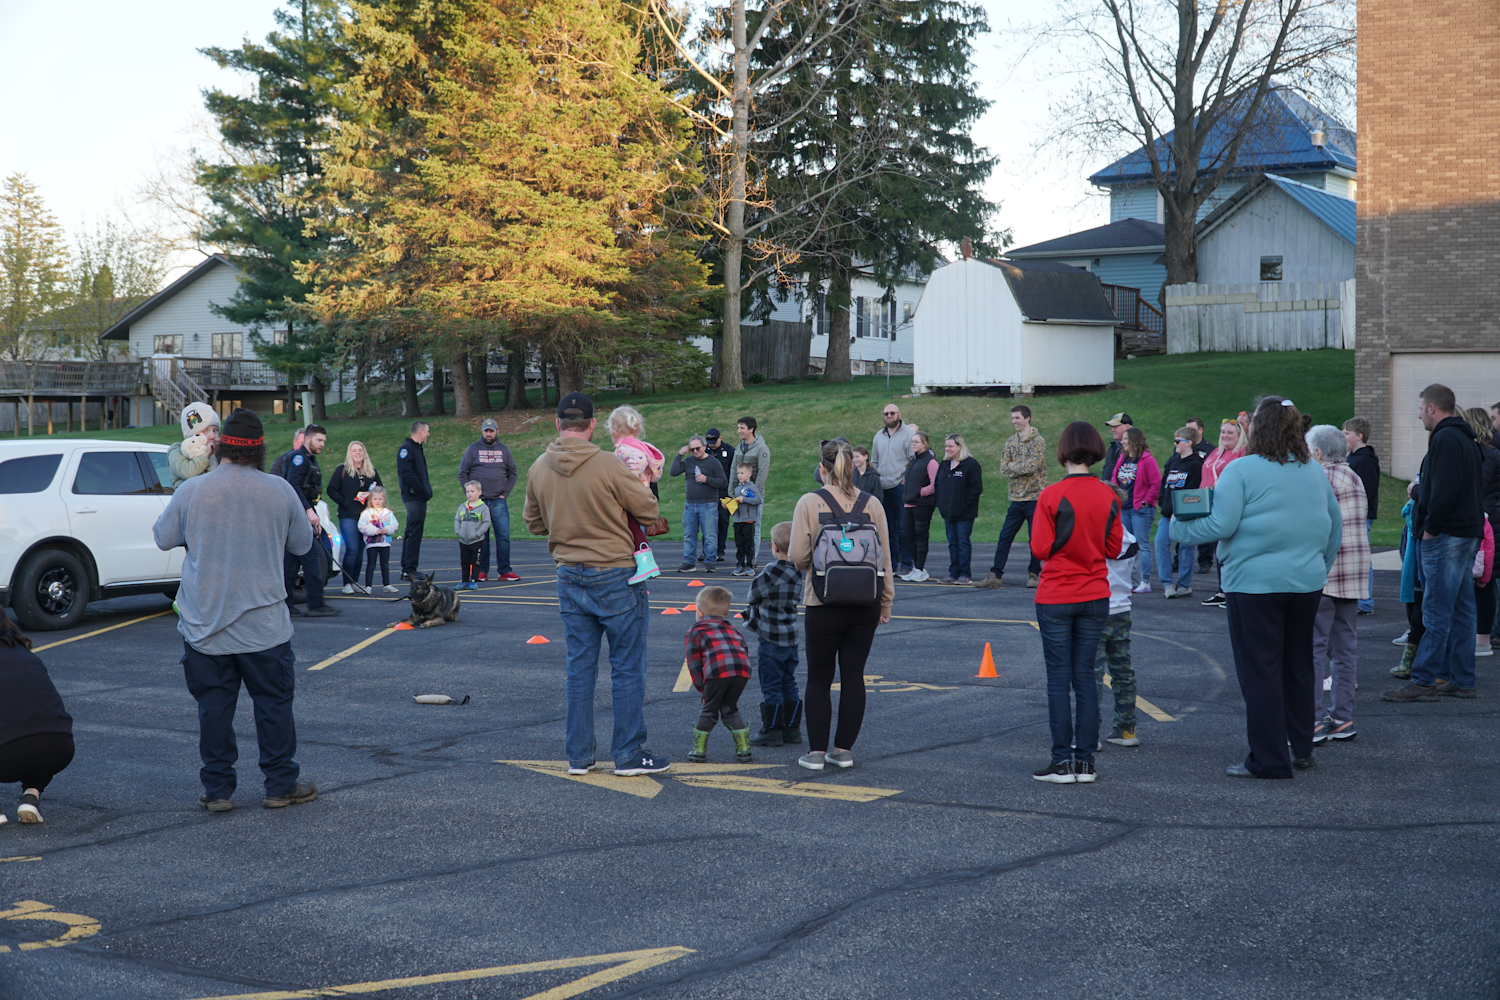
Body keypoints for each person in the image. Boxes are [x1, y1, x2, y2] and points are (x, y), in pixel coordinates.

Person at [152, 408, 319, 811]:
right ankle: (280, 785)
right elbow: (302, 545)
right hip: (264, 626)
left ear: (221, 445)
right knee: (274, 707)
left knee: (214, 710)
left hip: (205, 623)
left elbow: (162, 538)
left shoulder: (192, 490)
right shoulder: (279, 490)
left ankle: (218, 789)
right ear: (260, 450)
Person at [1172, 396, 1341, 779]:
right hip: (1305, 583)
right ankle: (1301, 747)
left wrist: (1179, 529)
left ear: (1255, 428)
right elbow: (1334, 527)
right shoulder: (1312, 470)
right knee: (1298, 666)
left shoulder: (1242, 470)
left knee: (1260, 671)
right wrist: (1317, 568)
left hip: (1254, 585)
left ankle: (1268, 759)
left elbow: (1220, 526)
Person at [522, 391, 668, 777]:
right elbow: (648, 510)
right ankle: (628, 753)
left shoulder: (539, 467)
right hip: (617, 572)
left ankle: (579, 756)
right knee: (627, 667)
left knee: (580, 667)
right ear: (591, 425)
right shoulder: (608, 464)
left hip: (570, 573)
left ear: (557, 424)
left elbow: (535, 523)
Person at [790, 439, 895, 771]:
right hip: (866, 601)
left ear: (822, 467)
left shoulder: (810, 502)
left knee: (819, 678)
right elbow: (886, 559)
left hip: (823, 601)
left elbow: (797, 557)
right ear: (853, 467)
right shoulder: (872, 504)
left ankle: (816, 753)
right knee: (854, 676)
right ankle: (843, 751)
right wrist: (886, 602)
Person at [1028, 422, 1123, 784]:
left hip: (1056, 594)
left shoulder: (1051, 495)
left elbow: (1039, 549)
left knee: (1058, 679)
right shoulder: (1109, 495)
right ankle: (1085, 762)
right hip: (1095, 593)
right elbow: (1113, 548)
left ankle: (1061, 761)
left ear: (1064, 450)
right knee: (1086, 677)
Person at [1384, 383, 1485, 702]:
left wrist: (1430, 527)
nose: (1418, 416)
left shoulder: (1444, 438)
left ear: (1432, 408)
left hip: (1446, 535)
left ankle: (1424, 679)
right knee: (1462, 608)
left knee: (1436, 608)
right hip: (1468, 532)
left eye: (1419, 409)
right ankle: (1462, 679)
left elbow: (1442, 490)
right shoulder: (1468, 439)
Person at [1306, 425, 1370, 744]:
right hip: (1354, 573)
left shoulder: (1322, 478)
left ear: (1318, 453)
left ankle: (1313, 720)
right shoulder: (1354, 476)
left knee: (1314, 646)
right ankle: (1342, 718)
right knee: (1345, 648)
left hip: (1327, 572)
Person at [0, 615, 73, 825]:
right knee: (37, 728)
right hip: (59, 746)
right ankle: (32, 795)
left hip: (7, 756)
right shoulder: (24, 652)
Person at [974, 405, 1046, 590]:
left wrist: (1015, 467)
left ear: (1027, 418)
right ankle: (995, 575)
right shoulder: (1010, 442)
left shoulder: (1038, 441)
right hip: (1016, 498)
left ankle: (1034, 574)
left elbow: (1034, 465)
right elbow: (1004, 468)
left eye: (1017, 418)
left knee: (1034, 539)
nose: (1014, 421)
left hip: (1034, 497)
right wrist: (1019, 467)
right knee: (1004, 537)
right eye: (1012, 418)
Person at [745, 520, 804, 747]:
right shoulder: (798, 572)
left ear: (774, 547)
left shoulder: (770, 572)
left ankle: (772, 730)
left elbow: (753, 596)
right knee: (789, 682)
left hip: (771, 638)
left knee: (771, 684)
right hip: (791, 636)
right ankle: (792, 729)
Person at [685, 585, 754, 763]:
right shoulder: (734, 630)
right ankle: (744, 749)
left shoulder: (695, 631)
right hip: (742, 671)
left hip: (717, 672)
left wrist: (703, 689)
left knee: (709, 710)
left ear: (699, 612)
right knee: (730, 708)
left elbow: (694, 664)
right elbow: (744, 651)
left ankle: (698, 751)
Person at [281, 423, 339, 618]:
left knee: (291, 564)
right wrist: (308, 511)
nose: (323, 444)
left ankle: (288, 605)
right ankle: (315, 604)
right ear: (308, 439)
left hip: (299, 517)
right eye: (319, 440)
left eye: (324, 440)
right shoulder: (299, 459)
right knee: (312, 559)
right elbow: (293, 486)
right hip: (296, 517)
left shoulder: (309, 459)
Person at [608, 405, 666, 585]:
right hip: (641, 492)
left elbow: (634, 466)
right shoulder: (643, 447)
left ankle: (646, 563)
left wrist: (622, 484)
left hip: (629, 496)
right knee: (633, 528)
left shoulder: (625, 449)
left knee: (631, 528)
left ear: (615, 430)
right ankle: (644, 562)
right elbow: (652, 472)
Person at [458, 417, 520, 583]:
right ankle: (481, 571)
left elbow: (513, 473)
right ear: (482, 431)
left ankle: (505, 571)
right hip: (479, 504)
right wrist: (471, 493)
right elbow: (462, 473)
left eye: (492, 431)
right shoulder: (473, 449)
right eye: (486, 430)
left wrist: (504, 494)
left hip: (499, 502)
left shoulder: (505, 450)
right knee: (480, 538)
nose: (489, 433)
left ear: (497, 431)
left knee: (504, 536)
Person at [1096, 526, 1141, 749]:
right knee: (1123, 670)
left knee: (1091, 674)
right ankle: (1126, 728)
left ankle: (1090, 731)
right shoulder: (1130, 539)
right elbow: (1137, 579)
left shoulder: (1091, 533)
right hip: (1122, 608)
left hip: (1096, 608)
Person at [1199, 419, 1247, 608]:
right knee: (1219, 550)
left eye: (1230, 433)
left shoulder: (1241, 453)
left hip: (1229, 506)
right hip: (1212, 507)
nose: (1225, 436)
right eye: (1223, 432)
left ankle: (1233, 591)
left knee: (1231, 550)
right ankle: (1222, 590)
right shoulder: (1216, 452)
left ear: (1239, 435)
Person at [1465, 406, 1500, 656]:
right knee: (1484, 580)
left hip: (1486, 521)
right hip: (1488, 518)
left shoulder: (1485, 454)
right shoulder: (1488, 452)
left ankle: (1483, 639)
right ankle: (1482, 637)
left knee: (1483, 581)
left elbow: (1478, 488)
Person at [326, 440, 382, 594]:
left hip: (366, 517)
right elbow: (331, 489)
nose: (358, 453)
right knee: (352, 548)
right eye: (354, 450)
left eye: (360, 450)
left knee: (360, 550)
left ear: (364, 453)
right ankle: (346, 583)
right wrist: (344, 502)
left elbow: (380, 489)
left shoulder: (371, 471)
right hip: (348, 515)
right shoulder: (342, 470)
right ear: (350, 453)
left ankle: (354, 581)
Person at [1110, 427, 1161, 593]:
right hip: (1124, 508)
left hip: (1140, 509)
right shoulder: (1122, 458)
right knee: (1126, 544)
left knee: (1142, 545)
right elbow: (1114, 478)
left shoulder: (1147, 460)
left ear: (1133, 441)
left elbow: (1156, 482)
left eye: (1125, 439)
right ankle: (1129, 580)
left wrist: (1147, 502)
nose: (1122, 442)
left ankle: (1145, 581)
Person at [1156, 428, 1205, 598]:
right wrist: (1163, 502)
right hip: (1167, 514)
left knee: (1185, 548)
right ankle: (1167, 584)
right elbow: (1164, 484)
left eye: (1178, 441)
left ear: (1189, 442)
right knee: (1160, 543)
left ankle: (1184, 585)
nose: (1175, 444)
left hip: (1184, 516)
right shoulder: (1172, 461)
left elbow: (1191, 492)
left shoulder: (1195, 464)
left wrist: (1180, 512)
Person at [671, 435, 728, 573]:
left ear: (704, 447)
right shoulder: (688, 460)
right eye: (692, 449)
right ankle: (689, 562)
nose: (695, 451)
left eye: (698, 448)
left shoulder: (713, 462)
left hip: (708, 504)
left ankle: (710, 562)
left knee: (710, 535)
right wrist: (680, 454)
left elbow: (723, 482)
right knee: (689, 535)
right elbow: (673, 472)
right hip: (690, 504)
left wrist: (706, 479)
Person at [872, 404, 917, 575]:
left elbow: (913, 460)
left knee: (903, 527)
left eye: (892, 413)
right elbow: (874, 460)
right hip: (883, 488)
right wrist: (876, 480)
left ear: (899, 414)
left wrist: (905, 480)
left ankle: (907, 563)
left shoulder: (909, 435)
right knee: (887, 528)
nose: (889, 415)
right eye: (886, 413)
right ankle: (891, 563)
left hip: (900, 488)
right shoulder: (879, 436)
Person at [1343, 418, 1381, 616]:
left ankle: (1365, 602)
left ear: (1359, 436)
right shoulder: (1352, 458)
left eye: (1347, 433)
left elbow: (1367, 491)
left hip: (1360, 515)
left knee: (1363, 559)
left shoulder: (1364, 460)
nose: (1344, 437)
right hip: (1352, 514)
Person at [934, 433, 983, 584]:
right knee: (952, 543)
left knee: (963, 542)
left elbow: (976, 489)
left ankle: (965, 574)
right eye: (946, 446)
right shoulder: (944, 465)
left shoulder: (970, 465)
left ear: (959, 446)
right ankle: (953, 573)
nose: (947, 449)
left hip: (964, 514)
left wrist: (964, 505)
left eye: (950, 446)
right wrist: (941, 504)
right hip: (948, 513)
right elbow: (938, 486)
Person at [900, 432, 940, 582]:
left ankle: (921, 569)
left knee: (921, 537)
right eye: (912, 442)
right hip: (909, 503)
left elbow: (935, 484)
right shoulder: (913, 460)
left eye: (916, 442)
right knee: (906, 535)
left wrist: (920, 492)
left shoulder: (931, 462)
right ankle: (917, 567)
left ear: (924, 443)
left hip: (923, 504)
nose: (913, 444)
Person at [396, 421, 433, 581]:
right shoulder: (407, 449)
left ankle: (407, 567)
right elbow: (407, 473)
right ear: (420, 431)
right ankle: (410, 568)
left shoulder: (416, 449)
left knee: (412, 530)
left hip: (418, 496)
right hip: (413, 497)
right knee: (414, 531)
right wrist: (421, 489)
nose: (428, 434)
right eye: (427, 431)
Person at [736, 417, 772, 563]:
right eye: (738, 428)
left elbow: (763, 473)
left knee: (754, 529)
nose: (739, 431)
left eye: (742, 428)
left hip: (753, 497)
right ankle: (742, 560)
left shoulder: (762, 448)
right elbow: (734, 469)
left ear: (751, 429)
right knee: (740, 529)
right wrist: (732, 490)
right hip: (739, 496)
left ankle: (752, 560)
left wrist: (753, 492)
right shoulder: (739, 447)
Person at [358, 485, 400, 593]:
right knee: (371, 565)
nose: (377, 501)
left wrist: (388, 529)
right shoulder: (366, 513)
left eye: (380, 499)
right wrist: (374, 530)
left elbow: (395, 525)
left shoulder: (388, 513)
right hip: (372, 544)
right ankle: (368, 586)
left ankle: (387, 585)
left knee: (385, 564)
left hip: (385, 543)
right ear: (371, 499)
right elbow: (361, 526)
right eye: (375, 499)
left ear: (384, 500)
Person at [168, 402, 220, 488]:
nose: (212, 436)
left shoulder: (216, 450)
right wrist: (205, 455)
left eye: (215, 430)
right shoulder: (177, 451)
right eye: (205, 431)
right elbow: (187, 472)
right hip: (187, 498)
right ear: (191, 434)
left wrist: (216, 454)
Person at [705, 428, 737, 563]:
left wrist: (732, 492)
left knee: (723, 521)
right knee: (707, 522)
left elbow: (734, 471)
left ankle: (720, 550)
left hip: (725, 492)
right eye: (709, 442)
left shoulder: (730, 451)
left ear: (720, 438)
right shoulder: (704, 451)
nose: (711, 444)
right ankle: (707, 550)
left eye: (714, 441)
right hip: (708, 491)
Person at [455, 481, 492, 590]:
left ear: (479, 492)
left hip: (476, 541)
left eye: (472, 491)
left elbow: (486, 522)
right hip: (463, 540)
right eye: (467, 491)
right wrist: (458, 531)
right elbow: (457, 519)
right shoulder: (462, 507)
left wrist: (477, 533)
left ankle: (473, 581)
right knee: (464, 562)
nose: (470, 494)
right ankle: (464, 581)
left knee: (475, 562)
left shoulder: (483, 508)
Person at [728, 463, 763, 575]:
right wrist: (729, 504)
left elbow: (758, 500)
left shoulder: (752, 487)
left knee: (748, 544)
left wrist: (745, 499)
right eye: (738, 473)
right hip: (738, 520)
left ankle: (750, 565)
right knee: (740, 545)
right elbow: (737, 502)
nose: (739, 475)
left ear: (749, 474)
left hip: (748, 520)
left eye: (742, 473)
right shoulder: (737, 488)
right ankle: (740, 564)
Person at [1100, 412, 1132, 484]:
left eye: (1115, 427)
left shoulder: (1133, 450)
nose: (1112, 430)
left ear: (1127, 427)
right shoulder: (1112, 448)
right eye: (1112, 427)